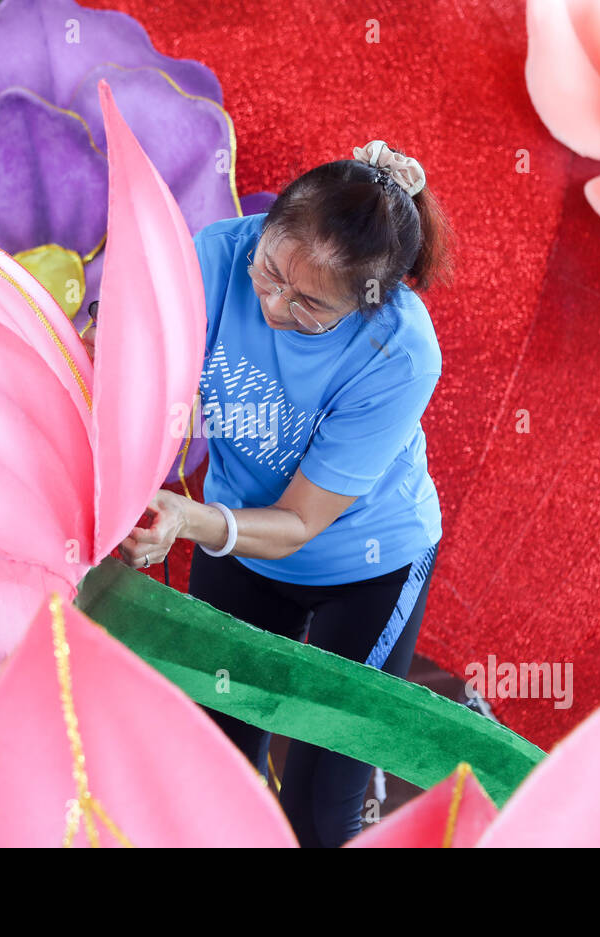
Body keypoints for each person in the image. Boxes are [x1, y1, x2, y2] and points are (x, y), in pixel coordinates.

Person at [84, 140, 453, 847]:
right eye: (272, 271)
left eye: (311, 302)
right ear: (266, 228)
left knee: (318, 805)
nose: (275, 303)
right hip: (238, 538)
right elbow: (135, 345)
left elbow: (299, 520)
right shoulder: (220, 252)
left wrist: (189, 519)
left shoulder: (401, 353)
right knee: (214, 760)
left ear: (370, 299)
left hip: (366, 565)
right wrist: (110, 336)